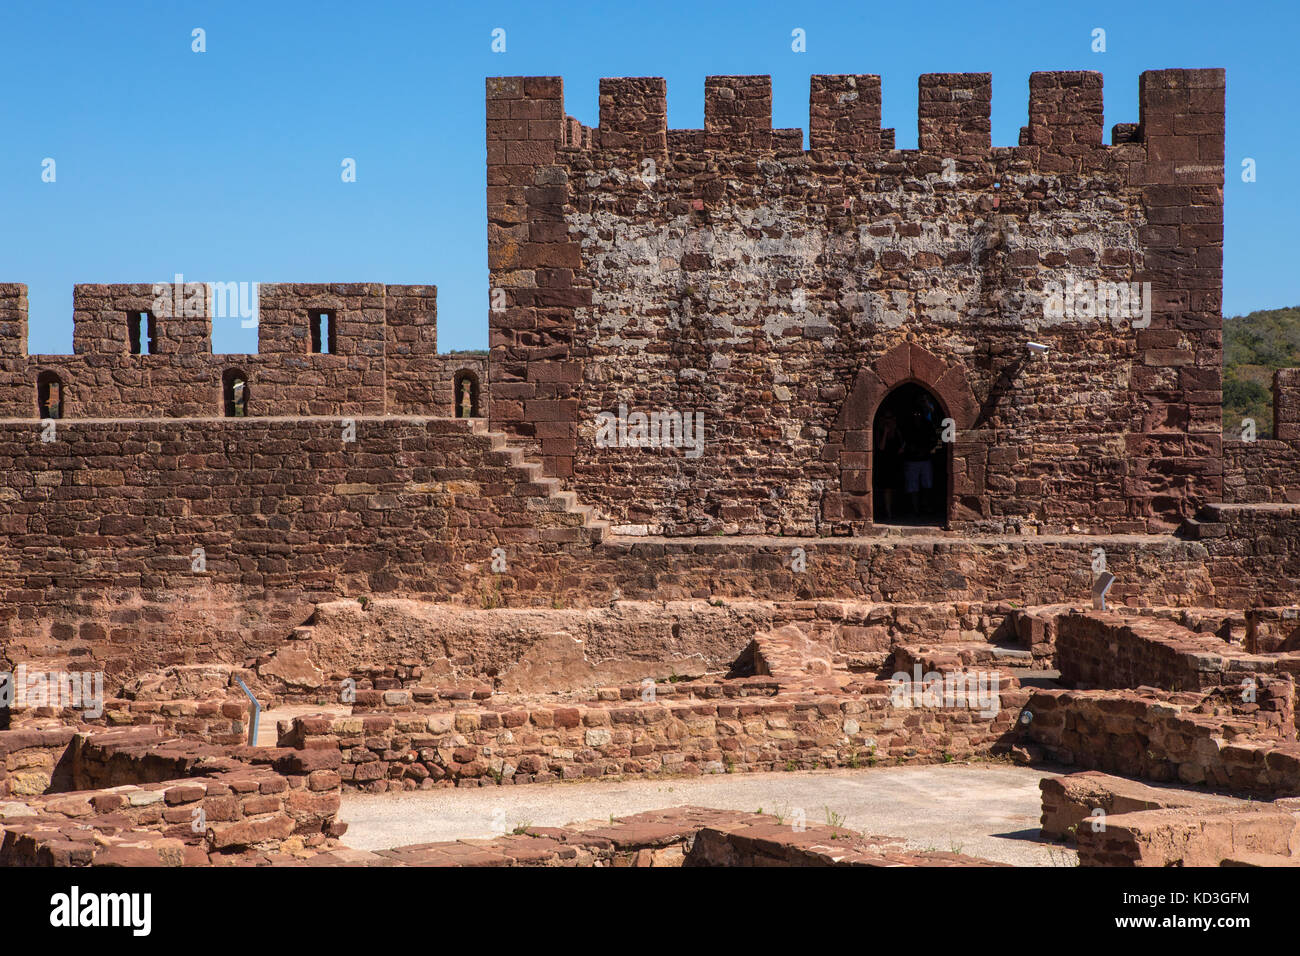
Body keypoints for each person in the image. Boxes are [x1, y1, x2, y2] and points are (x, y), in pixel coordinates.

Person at [901, 400, 941, 519]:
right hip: (911, 460)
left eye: (919, 414)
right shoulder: (907, 426)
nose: (917, 416)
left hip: (925, 459)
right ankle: (915, 508)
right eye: (915, 414)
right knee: (912, 486)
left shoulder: (927, 425)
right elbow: (904, 442)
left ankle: (926, 506)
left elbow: (934, 440)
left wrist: (926, 449)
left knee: (927, 485)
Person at [874, 410, 904, 521]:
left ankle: (895, 510)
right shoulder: (880, 431)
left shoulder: (897, 431)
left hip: (896, 462)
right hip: (885, 463)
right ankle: (888, 513)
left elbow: (902, 444)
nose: (888, 420)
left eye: (890, 418)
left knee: (895, 488)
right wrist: (886, 433)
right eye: (886, 418)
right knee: (887, 489)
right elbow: (881, 447)